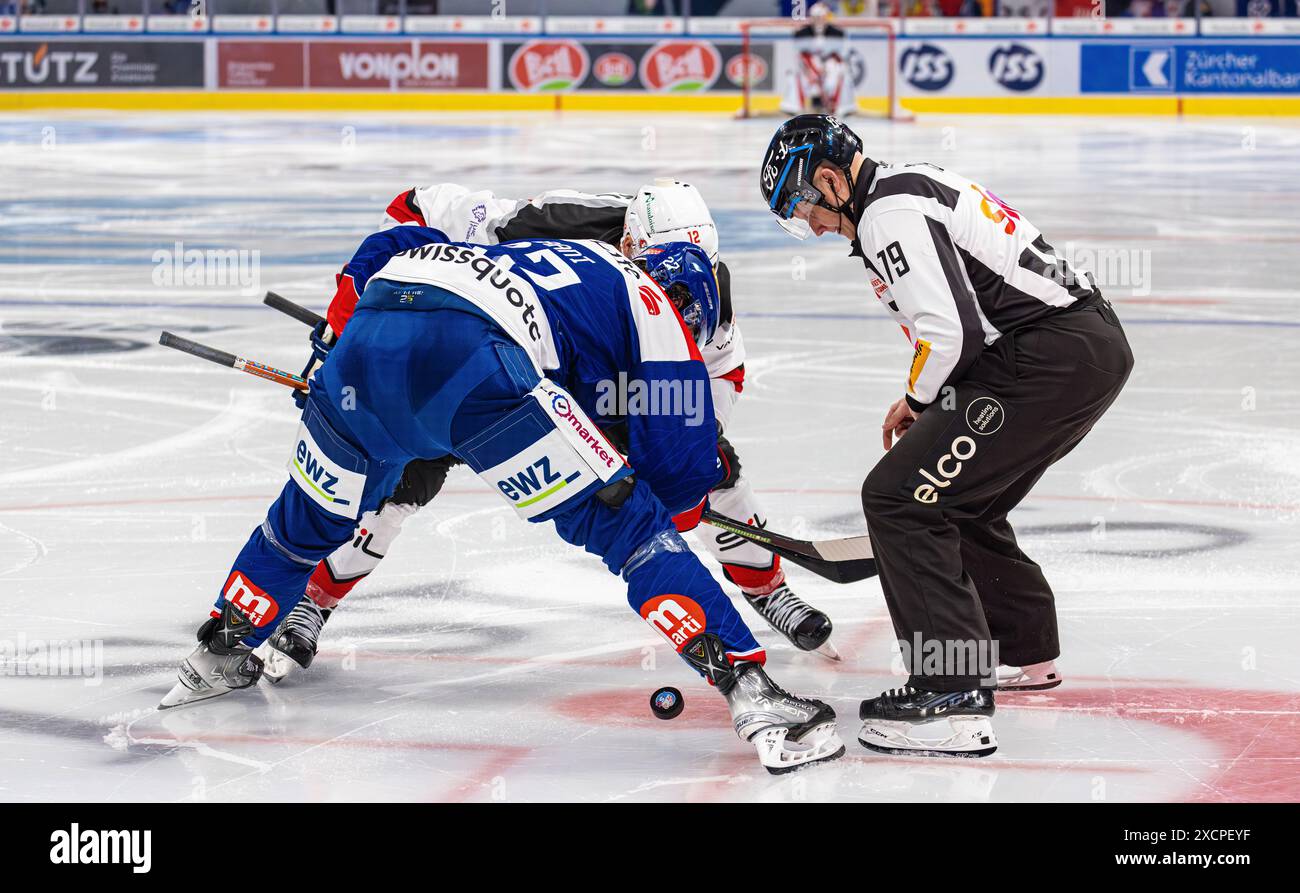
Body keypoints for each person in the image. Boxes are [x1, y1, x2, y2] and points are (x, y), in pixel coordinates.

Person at [159, 232, 846, 775]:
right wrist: (664, 466)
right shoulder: (656, 305)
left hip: (368, 336)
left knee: (302, 522)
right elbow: (678, 482)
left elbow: (398, 236)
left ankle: (221, 648)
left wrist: (341, 340)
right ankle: (755, 697)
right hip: (474, 364)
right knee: (631, 527)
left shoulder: (560, 254)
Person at [265, 180, 838, 684]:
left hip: (608, 375)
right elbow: (417, 210)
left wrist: (652, 455)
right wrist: (341, 340)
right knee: (404, 471)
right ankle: (314, 601)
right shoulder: (551, 223)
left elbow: (710, 395)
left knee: (715, 466)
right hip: (487, 357)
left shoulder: (705, 295)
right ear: (631, 242)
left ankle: (766, 588)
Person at [759, 115, 1134, 757]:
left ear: (828, 177)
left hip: (1046, 355)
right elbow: (961, 323)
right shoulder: (905, 188)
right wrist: (927, 401)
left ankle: (951, 692)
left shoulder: (885, 213)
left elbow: (952, 329)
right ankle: (1023, 651)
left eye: (803, 206)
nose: (812, 225)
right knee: (962, 500)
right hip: (1081, 349)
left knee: (900, 501)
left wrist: (917, 397)